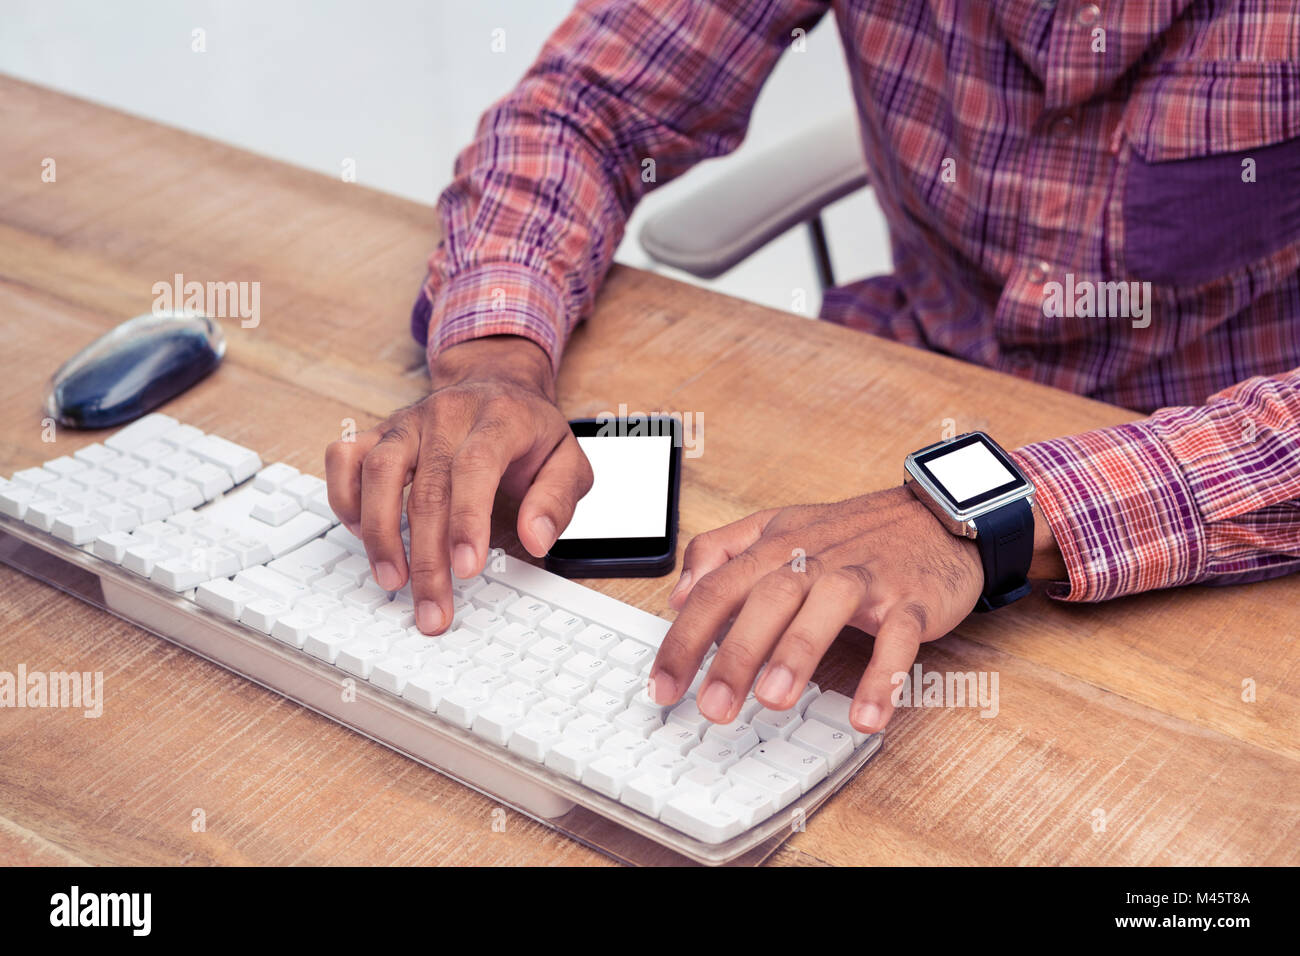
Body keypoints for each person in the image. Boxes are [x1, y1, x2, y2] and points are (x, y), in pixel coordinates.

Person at [324, 0, 1300, 736]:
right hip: (899, 406)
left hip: (1233, 511)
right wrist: (495, 357)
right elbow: (591, 100)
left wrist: (986, 515)